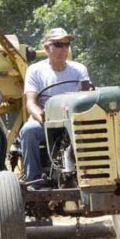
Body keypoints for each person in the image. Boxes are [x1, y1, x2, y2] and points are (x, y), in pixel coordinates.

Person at [19, 27, 92, 187]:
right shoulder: (35, 70)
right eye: (58, 45)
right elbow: (31, 102)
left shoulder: (79, 70)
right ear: (46, 48)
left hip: (74, 120)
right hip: (46, 121)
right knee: (28, 131)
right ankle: (35, 181)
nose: (63, 49)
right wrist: (42, 117)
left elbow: (88, 97)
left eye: (66, 45)